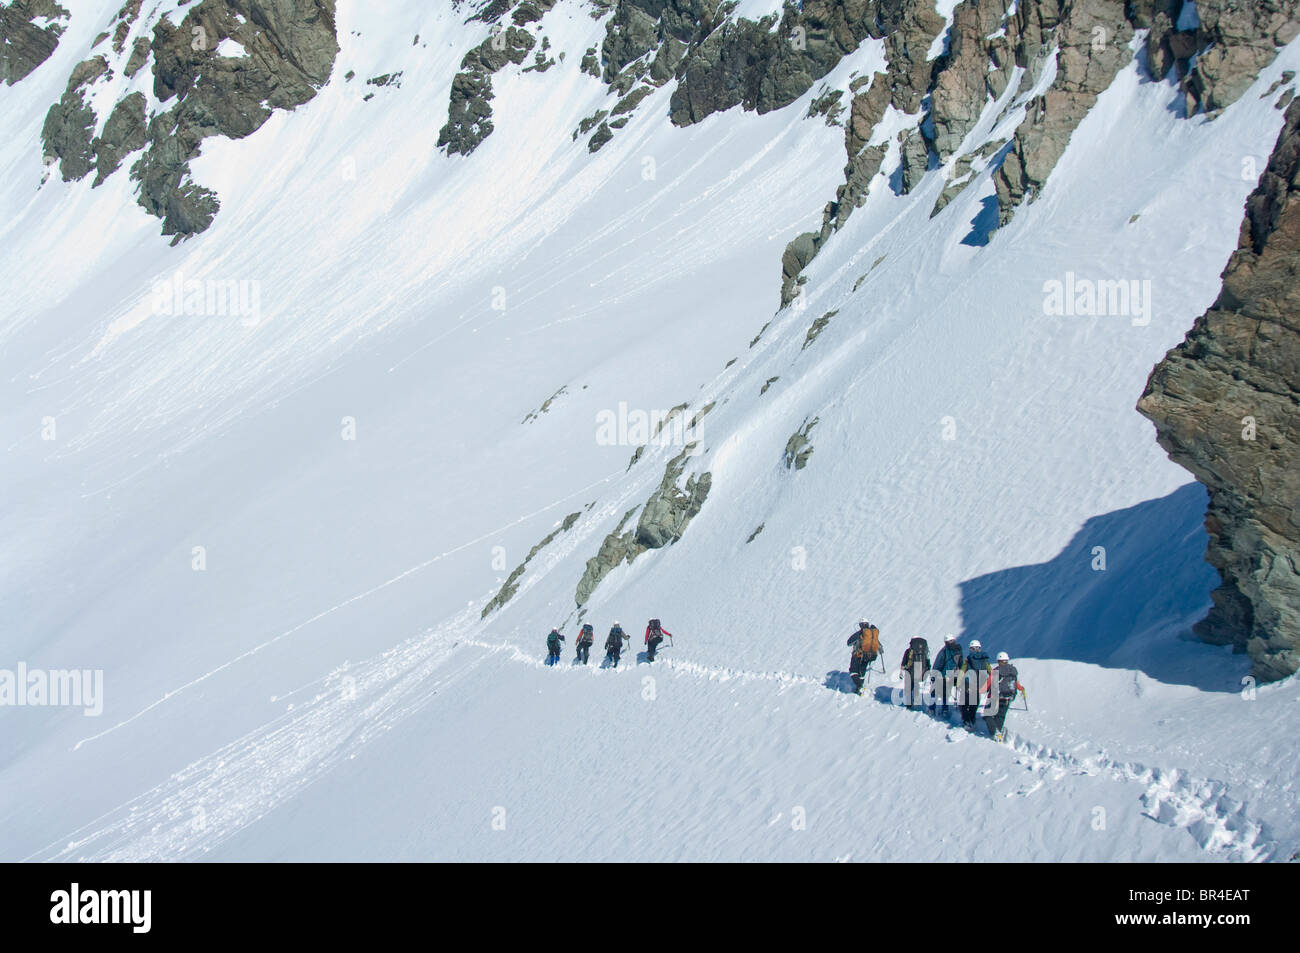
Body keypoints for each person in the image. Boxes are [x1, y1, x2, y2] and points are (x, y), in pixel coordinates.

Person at [983, 652, 1024, 741]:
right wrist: (1021, 689)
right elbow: (1016, 683)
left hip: (995, 697)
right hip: (1008, 697)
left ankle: (995, 732)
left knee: (987, 714)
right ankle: (998, 733)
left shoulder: (996, 671)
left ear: (998, 661)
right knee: (1000, 716)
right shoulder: (1012, 670)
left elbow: (987, 685)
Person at [958, 640, 992, 730]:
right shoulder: (985, 659)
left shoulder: (968, 659)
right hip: (979, 684)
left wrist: (958, 683)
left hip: (968, 684)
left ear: (971, 648)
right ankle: (972, 719)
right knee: (974, 703)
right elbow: (991, 672)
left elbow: (962, 671)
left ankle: (966, 721)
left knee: (963, 704)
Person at [931, 635, 963, 718]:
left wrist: (933, 675)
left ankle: (932, 708)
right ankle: (946, 710)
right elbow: (961, 663)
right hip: (953, 675)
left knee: (935, 691)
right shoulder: (958, 650)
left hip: (943, 675)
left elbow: (937, 663)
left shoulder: (944, 651)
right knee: (946, 692)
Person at [846, 620, 881, 694]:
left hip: (858, 655)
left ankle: (860, 687)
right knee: (862, 672)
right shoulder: (873, 633)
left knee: (853, 671)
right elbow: (880, 647)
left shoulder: (860, 633)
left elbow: (849, 643)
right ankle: (860, 687)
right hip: (869, 655)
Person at [899, 637, 930, 709]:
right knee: (916, 685)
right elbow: (927, 660)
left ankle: (909, 704)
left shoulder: (908, 651)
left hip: (910, 670)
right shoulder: (924, 651)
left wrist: (902, 670)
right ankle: (916, 700)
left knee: (909, 687)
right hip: (919, 669)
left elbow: (904, 661)